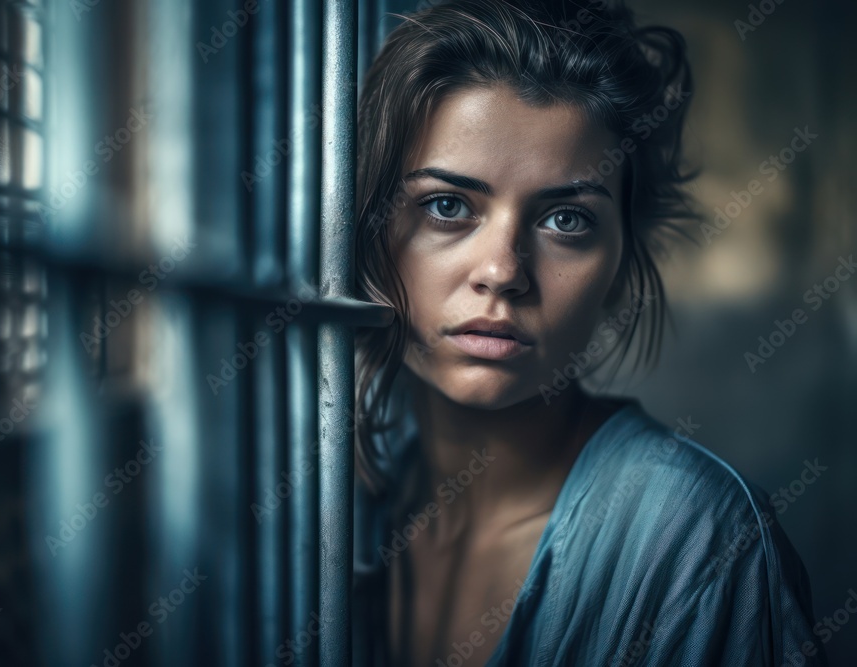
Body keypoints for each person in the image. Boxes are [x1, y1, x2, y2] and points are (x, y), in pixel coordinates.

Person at [350, 1, 827, 665]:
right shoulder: (339, 515)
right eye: (448, 206)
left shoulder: (699, 540)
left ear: (621, 263)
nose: (503, 271)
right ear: (365, 236)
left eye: (566, 220)